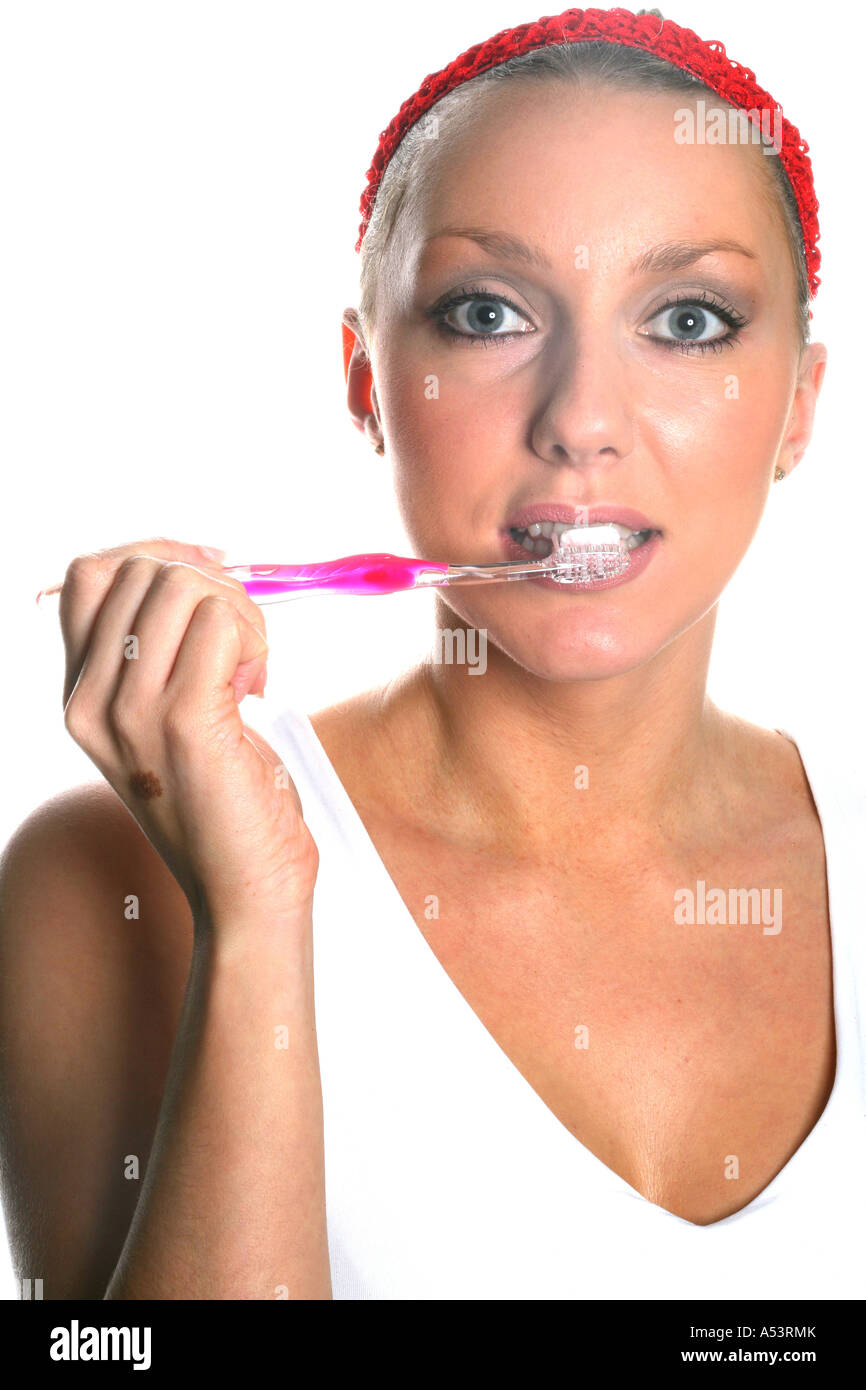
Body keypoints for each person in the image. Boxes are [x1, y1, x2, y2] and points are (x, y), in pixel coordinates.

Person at [1, 7, 862, 1301]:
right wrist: (254, 921)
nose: (579, 420)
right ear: (365, 382)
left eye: (685, 321)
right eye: (485, 312)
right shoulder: (103, 880)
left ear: (797, 402)